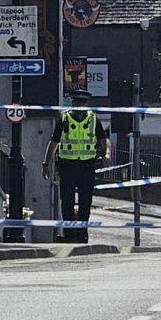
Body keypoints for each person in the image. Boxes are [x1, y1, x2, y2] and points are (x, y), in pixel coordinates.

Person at [42, 89, 110, 243]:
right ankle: (69, 234)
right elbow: (53, 143)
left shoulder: (93, 120)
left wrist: (107, 153)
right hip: (67, 167)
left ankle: (81, 234)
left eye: (82, 102)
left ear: (86, 104)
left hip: (87, 167)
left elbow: (104, 139)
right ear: (72, 103)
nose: (79, 105)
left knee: (85, 203)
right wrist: (45, 164)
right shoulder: (64, 119)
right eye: (77, 102)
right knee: (67, 202)